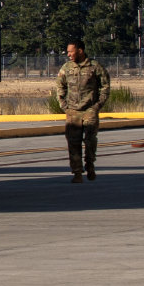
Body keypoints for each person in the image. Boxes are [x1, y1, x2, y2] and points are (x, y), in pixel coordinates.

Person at [54, 39, 111, 182]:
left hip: (90, 110)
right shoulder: (66, 68)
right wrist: (64, 105)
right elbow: (60, 87)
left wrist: (98, 105)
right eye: (67, 52)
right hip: (72, 111)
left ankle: (90, 165)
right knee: (73, 143)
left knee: (90, 141)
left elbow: (105, 86)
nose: (68, 55)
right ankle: (77, 172)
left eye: (70, 52)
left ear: (80, 51)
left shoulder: (94, 67)